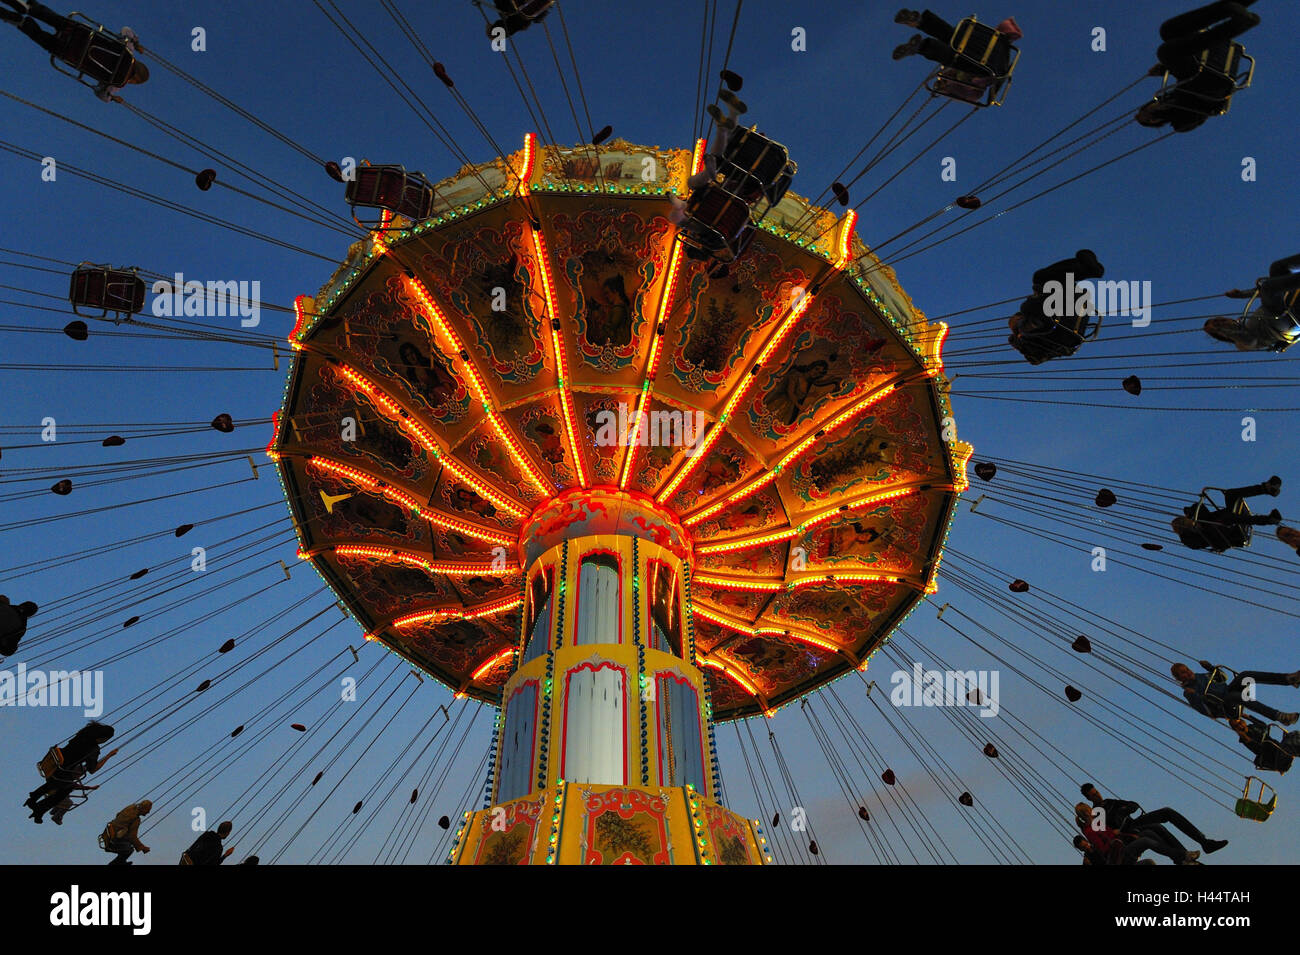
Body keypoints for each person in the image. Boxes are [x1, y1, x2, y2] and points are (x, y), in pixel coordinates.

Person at [1135, 1, 1259, 133]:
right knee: (1166, 53)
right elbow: (1194, 114)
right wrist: (1161, 111)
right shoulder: (1180, 122)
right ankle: (1240, 23)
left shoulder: (1168, 96)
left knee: (1169, 31)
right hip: (1207, 85)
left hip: (1196, 76)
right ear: (1154, 121)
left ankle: (1230, 7)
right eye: (1146, 117)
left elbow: (1183, 72)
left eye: (1143, 110)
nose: (1148, 110)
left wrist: (1163, 69)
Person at [0, 2, 147, 102]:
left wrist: (136, 42)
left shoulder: (128, 51)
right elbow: (101, 94)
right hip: (67, 52)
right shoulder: (116, 84)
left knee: (52, 18)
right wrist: (112, 98)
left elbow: (125, 30)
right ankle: (20, 22)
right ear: (134, 80)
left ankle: (28, 7)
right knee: (39, 36)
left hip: (78, 32)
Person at [1080, 783, 1225, 860]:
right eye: (1093, 795)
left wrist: (1128, 808)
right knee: (1156, 828)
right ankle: (1182, 856)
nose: (1097, 795)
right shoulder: (1096, 813)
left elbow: (1132, 804)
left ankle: (1204, 842)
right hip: (1127, 830)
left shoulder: (1109, 801)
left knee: (1167, 812)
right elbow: (1106, 835)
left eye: (1096, 792)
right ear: (1089, 799)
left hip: (1134, 822)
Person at [1007, 250, 1104, 363]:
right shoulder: (1026, 328)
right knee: (1040, 278)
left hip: (1069, 314)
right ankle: (1085, 268)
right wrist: (1033, 300)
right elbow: (1030, 315)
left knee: (1050, 279)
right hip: (1063, 314)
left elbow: (1036, 358)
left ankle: (1085, 267)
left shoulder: (1048, 346)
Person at [1205, 253, 1300, 351]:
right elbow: (1251, 341)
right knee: (1268, 288)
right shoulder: (1240, 344)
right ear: (1221, 335)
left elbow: (1265, 294)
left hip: (1278, 309)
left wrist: (1242, 294)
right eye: (1218, 325)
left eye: (1218, 320)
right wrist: (1224, 330)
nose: (1221, 322)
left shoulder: (1245, 321)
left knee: (1277, 268)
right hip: (1280, 324)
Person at [26, 721, 117, 822]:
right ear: (103, 738)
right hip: (63, 770)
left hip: (56, 763)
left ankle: (34, 800)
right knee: (66, 788)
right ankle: (38, 807)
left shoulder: (82, 735)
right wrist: (109, 755)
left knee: (60, 784)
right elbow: (93, 769)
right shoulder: (93, 749)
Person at [892, 9, 1022, 78]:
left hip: (974, 40)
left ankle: (919, 21)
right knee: (953, 58)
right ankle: (921, 46)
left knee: (954, 36)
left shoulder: (1002, 44)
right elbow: (971, 88)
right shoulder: (990, 73)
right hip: (979, 61)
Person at [1171, 476, 1282, 551]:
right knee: (1226, 518)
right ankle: (1268, 520)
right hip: (1223, 534)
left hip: (1222, 521)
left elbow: (1201, 511)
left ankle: (1266, 489)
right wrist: (1198, 529)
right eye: (1184, 522)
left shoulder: (1197, 519)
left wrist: (1190, 511)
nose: (1188, 521)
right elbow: (1199, 544)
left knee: (1230, 494)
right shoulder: (1187, 539)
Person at [1171, 661, 1300, 724]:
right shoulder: (1188, 692)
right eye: (1183, 672)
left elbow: (1222, 678)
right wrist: (1194, 695)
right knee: (1235, 696)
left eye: (1186, 669)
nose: (1187, 672)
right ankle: (1279, 716)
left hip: (1229, 692)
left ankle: (1289, 679)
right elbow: (1205, 711)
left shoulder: (1203, 676)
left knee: (1246, 676)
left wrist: (1210, 668)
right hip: (1225, 707)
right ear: (1179, 678)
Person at [1229, 716, 1299, 773]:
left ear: (1243, 721)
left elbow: (1263, 725)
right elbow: (1254, 745)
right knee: (1292, 740)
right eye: (1237, 726)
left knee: (1294, 735)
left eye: (1240, 722)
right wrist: (1240, 733)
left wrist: (1243, 715)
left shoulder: (1253, 727)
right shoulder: (1244, 739)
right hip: (1276, 757)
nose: (1240, 726)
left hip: (1280, 750)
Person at [101, 800, 151, 865]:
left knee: (127, 844)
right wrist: (143, 848)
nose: (148, 812)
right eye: (148, 810)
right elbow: (132, 837)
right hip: (113, 842)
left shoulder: (130, 807)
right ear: (144, 808)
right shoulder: (136, 820)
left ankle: (120, 862)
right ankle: (116, 863)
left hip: (107, 835)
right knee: (129, 849)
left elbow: (118, 814)